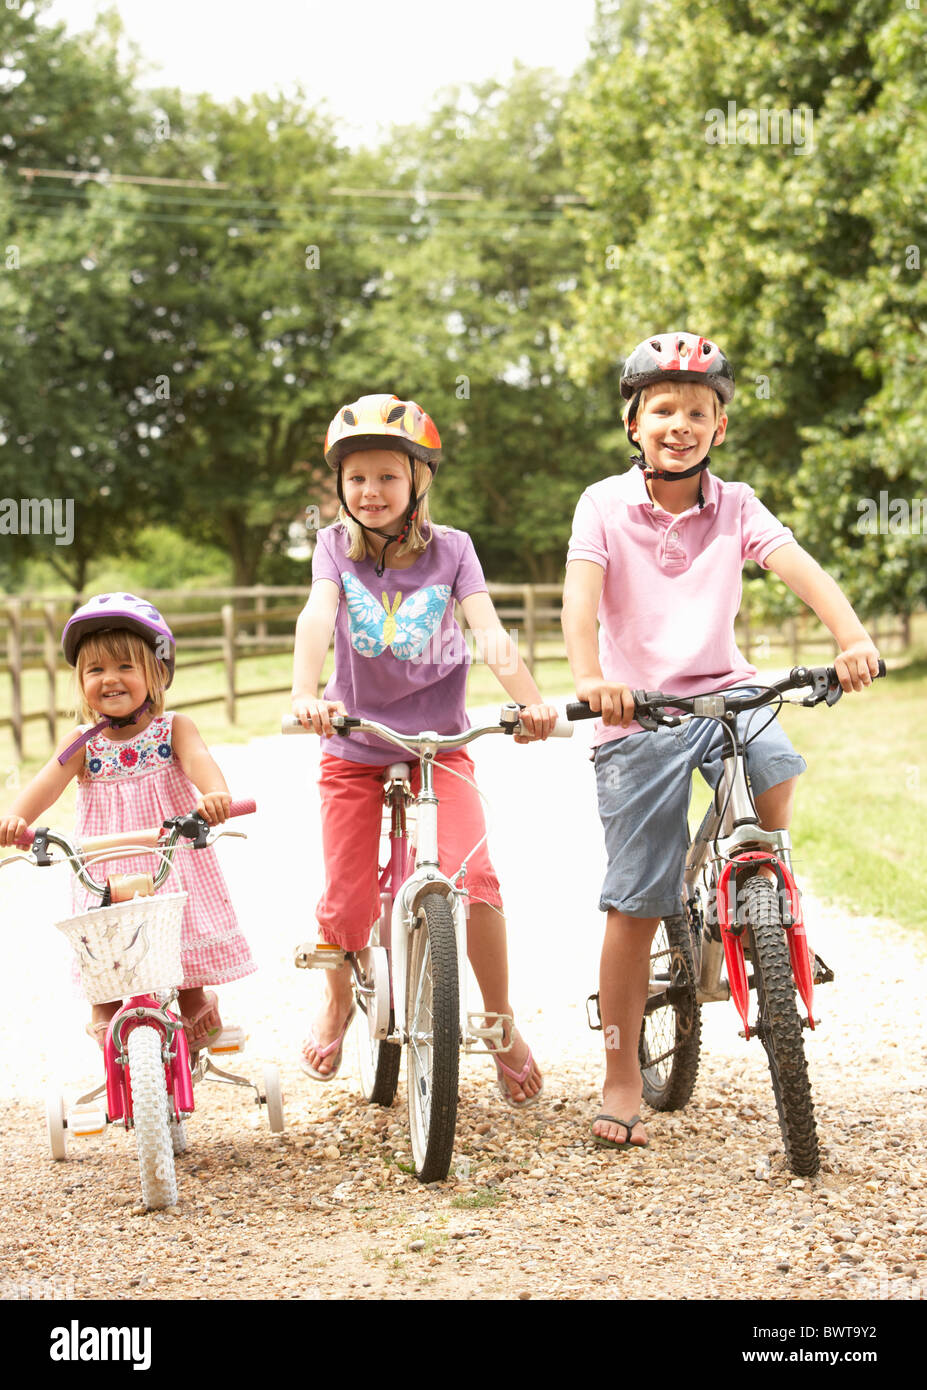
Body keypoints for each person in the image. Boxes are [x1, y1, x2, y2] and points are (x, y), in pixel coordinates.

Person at [561, 332, 881, 1151]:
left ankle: (757, 899)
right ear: (633, 423)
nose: (680, 422)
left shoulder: (735, 504)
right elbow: (579, 597)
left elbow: (798, 564)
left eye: (698, 411)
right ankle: (622, 1073)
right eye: (662, 409)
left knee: (775, 767)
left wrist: (848, 636)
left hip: (725, 696)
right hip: (642, 712)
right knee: (635, 901)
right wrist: (592, 676)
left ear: (719, 428)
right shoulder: (602, 503)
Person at [291, 392, 559, 1104]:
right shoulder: (332, 549)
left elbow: (489, 631)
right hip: (355, 743)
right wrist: (304, 692)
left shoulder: (453, 550)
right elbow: (318, 615)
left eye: (386, 476)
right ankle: (340, 997)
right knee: (346, 897)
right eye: (355, 479)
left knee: (478, 881)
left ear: (418, 482)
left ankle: (499, 1021)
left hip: (438, 746)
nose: (369, 491)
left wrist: (530, 701)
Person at [0, 594, 255, 1049]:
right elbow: (47, 782)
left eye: (124, 667)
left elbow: (199, 762)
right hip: (104, 865)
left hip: (168, 860)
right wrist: (16, 818)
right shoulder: (81, 741)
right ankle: (110, 1040)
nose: (109, 679)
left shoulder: (174, 728)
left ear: (156, 674)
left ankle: (196, 1007)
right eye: (95, 670)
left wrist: (215, 794)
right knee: (103, 960)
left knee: (179, 945)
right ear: (80, 682)